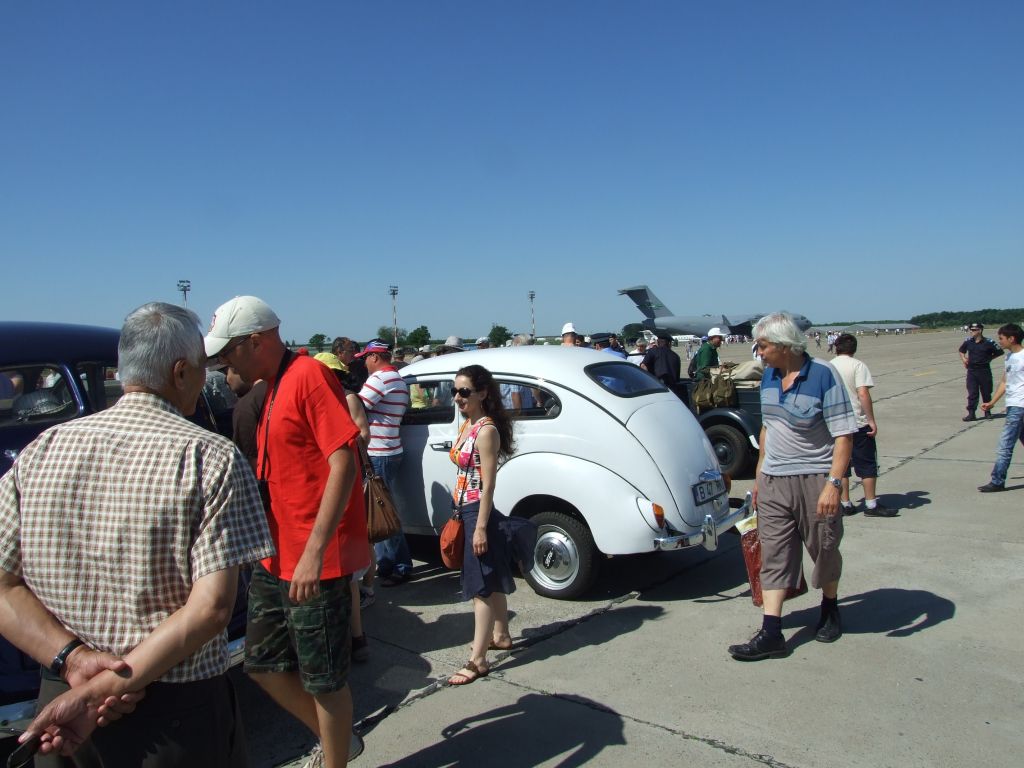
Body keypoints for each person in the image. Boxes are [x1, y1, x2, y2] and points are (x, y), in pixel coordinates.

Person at [1, 302, 274, 764]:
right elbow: (211, 609)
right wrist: (109, 685)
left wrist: (75, 661)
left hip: (63, 701)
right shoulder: (210, 457)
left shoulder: (41, 449)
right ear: (182, 372)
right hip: (173, 709)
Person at [206, 295, 369, 767]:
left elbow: (344, 460)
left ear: (255, 341)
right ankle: (338, 736)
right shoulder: (274, 384)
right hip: (277, 555)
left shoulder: (307, 377)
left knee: (324, 678)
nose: (223, 362)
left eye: (228, 351)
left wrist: (315, 551)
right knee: (261, 663)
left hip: (313, 559)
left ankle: (335, 753)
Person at [728, 312, 857, 661]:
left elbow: (844, 436)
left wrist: (834, 484)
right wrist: (759, 477)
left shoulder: (823, 376)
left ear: (785, 346)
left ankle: (830, 607)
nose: (759, 352)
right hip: (774, 481)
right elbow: (768, 428)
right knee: (773, 554)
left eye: (764, 345)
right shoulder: (769, 376)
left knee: (824, 549)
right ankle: (771, 633)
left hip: (815, 479)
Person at [447, 365, 531, 686]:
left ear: (482, 393)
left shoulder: (486, 431)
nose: (458, 397)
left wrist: (480, 527)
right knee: (491, 578)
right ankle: (502, 635)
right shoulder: (467, 424)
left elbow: (487, 485)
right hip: (466, 510)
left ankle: (478, 659)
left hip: (477, 513)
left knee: (478, 588)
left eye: (464, 391)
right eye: (455, 391)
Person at [357, 339, 413, 587]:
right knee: (383, 509)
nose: (364, 363)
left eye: (365, 358)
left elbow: (356, 405)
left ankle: (396, 566)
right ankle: (391, 563)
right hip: (389, 449)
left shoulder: (380, 379)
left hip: (379, 451)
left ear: (375, 357)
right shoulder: (397, 378)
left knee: (381, 512)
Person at [830, 334, 895, 517]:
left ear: (836, 347)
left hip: (836, 423)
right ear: (854, 348)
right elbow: (863, 393)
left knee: (842, 465)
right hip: (857, 423)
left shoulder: (829, 366)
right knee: (866, 464)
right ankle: (871, 504)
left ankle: (845, 503)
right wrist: (871, 420)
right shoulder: (857, 365)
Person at [978, 323, 1024, 492]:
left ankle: (997, 480)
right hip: (1014, 405)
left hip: (1020, 406)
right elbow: (1005, 381)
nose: (999, 342)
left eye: (1001, 338)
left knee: (1005, 445)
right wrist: (992, 402)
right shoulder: (1009, 357)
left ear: (1012, 338)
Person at [959, 322, 1003, 421]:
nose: (971, 331)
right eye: (971, 329)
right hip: (972, 371)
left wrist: (990, 358)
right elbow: (961, 350)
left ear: (980, 330)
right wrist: (964, 359)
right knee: (972, 393)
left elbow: (999, 352)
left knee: (986, 392)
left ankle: (987, 412)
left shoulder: (989, 342)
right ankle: (971, 413)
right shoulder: (968, 342)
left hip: (984, 370)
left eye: (974, 330)